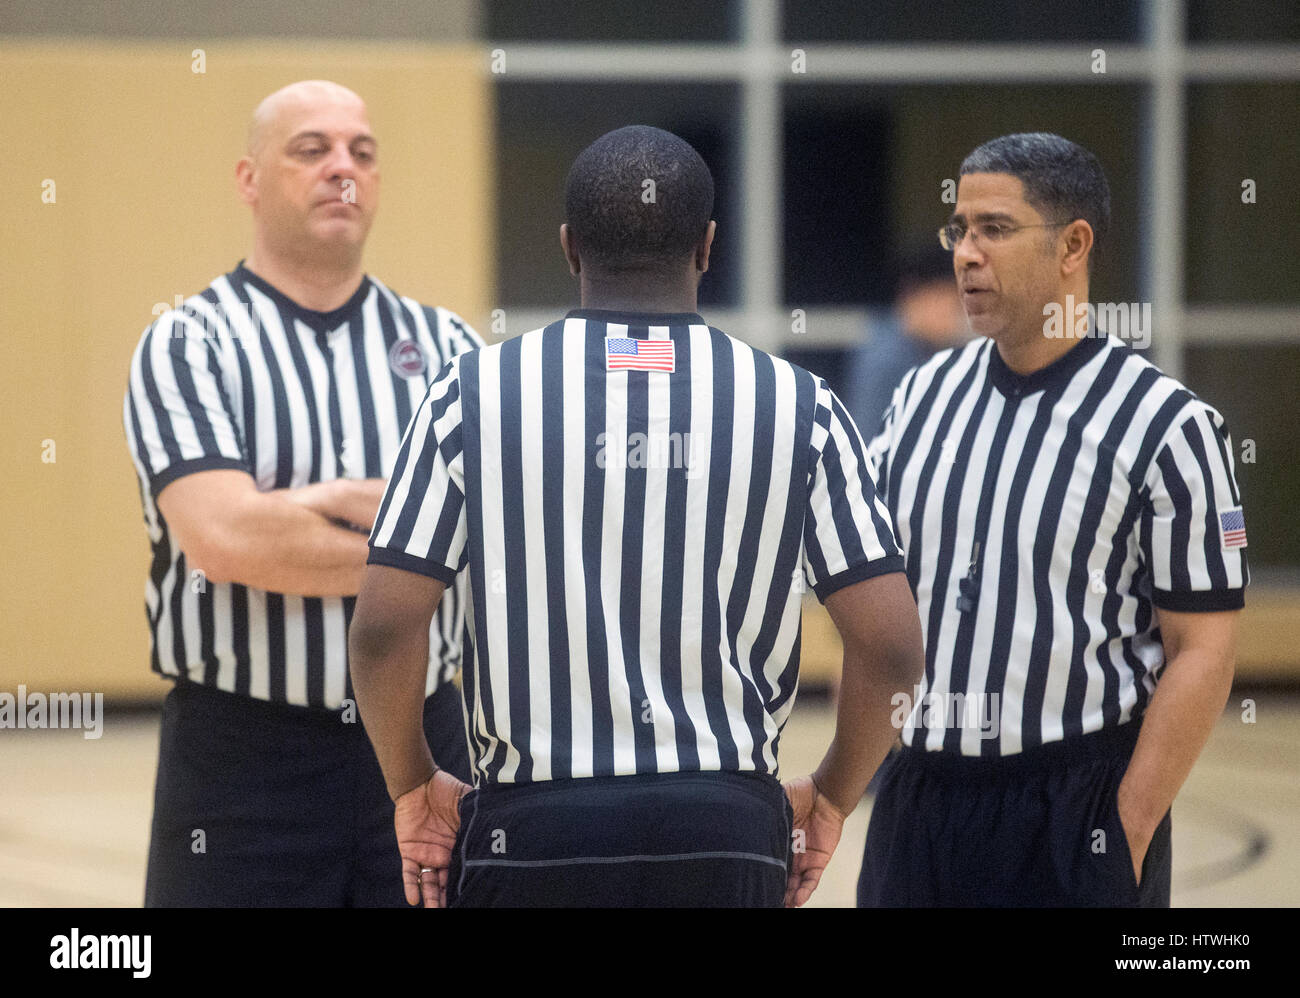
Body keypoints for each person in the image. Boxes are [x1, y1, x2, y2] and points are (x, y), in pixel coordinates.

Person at [348, 124, 925, 908]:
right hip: (730, 827)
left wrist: (413, 783)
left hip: (534, 829)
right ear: (709, 246)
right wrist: (829, 797)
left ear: (569, 246)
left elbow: (383, 627)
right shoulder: (801, 407)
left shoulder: (468, 395)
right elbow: (892, 647)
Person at [856, 132, 1248, 907]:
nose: (965, 253)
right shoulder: (921, 398)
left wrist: (1127, 827)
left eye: (993, 229)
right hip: (920, 801)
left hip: (1073, 808)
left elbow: (1203, 649)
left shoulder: (1166, 425)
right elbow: (878, 599)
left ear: (1074, 246)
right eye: (958, 230)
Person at [123, 80, 481, 907]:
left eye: (361, 152)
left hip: (422, 750)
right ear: (249, 178)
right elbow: (227, 539)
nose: (342, 170)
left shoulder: (450, 348)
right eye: (311, 149)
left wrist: (298, 503)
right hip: (241, 761)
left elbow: (493, 533)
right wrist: (417, 539)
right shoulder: (187, 342)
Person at [842, 240, 967, 441]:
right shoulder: (887, 357)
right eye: (949, 304)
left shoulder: (923, 349)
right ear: (913, 295)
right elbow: (865, 443)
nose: (955, 317)